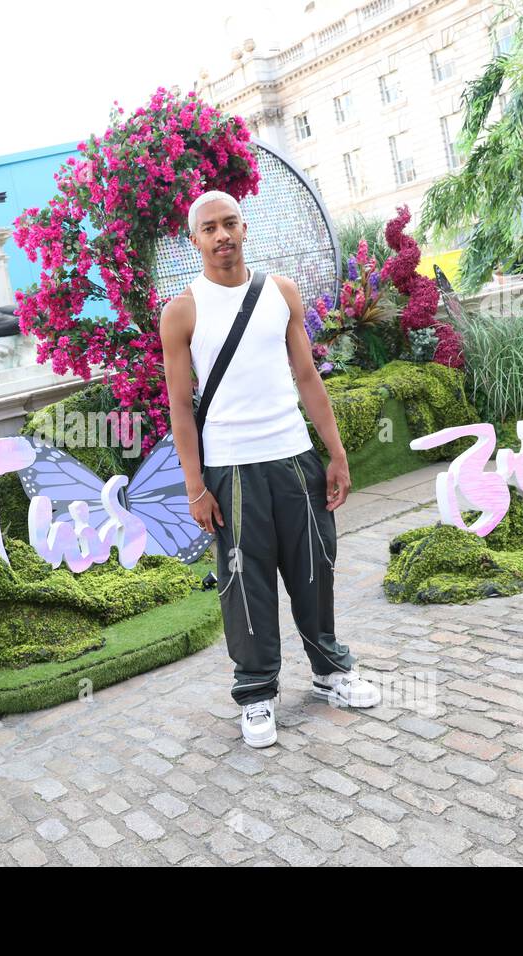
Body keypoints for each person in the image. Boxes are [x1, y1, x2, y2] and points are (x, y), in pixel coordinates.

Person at [159, 190, 381, 749]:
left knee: (314, 568)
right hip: (231, 472)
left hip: (292, 457)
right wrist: (194, 486)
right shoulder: (182, 311)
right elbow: (180, 405)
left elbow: (307, 375)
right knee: (244, 582)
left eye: (230, 223)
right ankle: (256, 695)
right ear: (195, 239)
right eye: (209, 227)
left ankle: (330, 672)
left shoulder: (280, 292)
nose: (222, 235)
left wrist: (335, 451)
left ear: (245, 227)